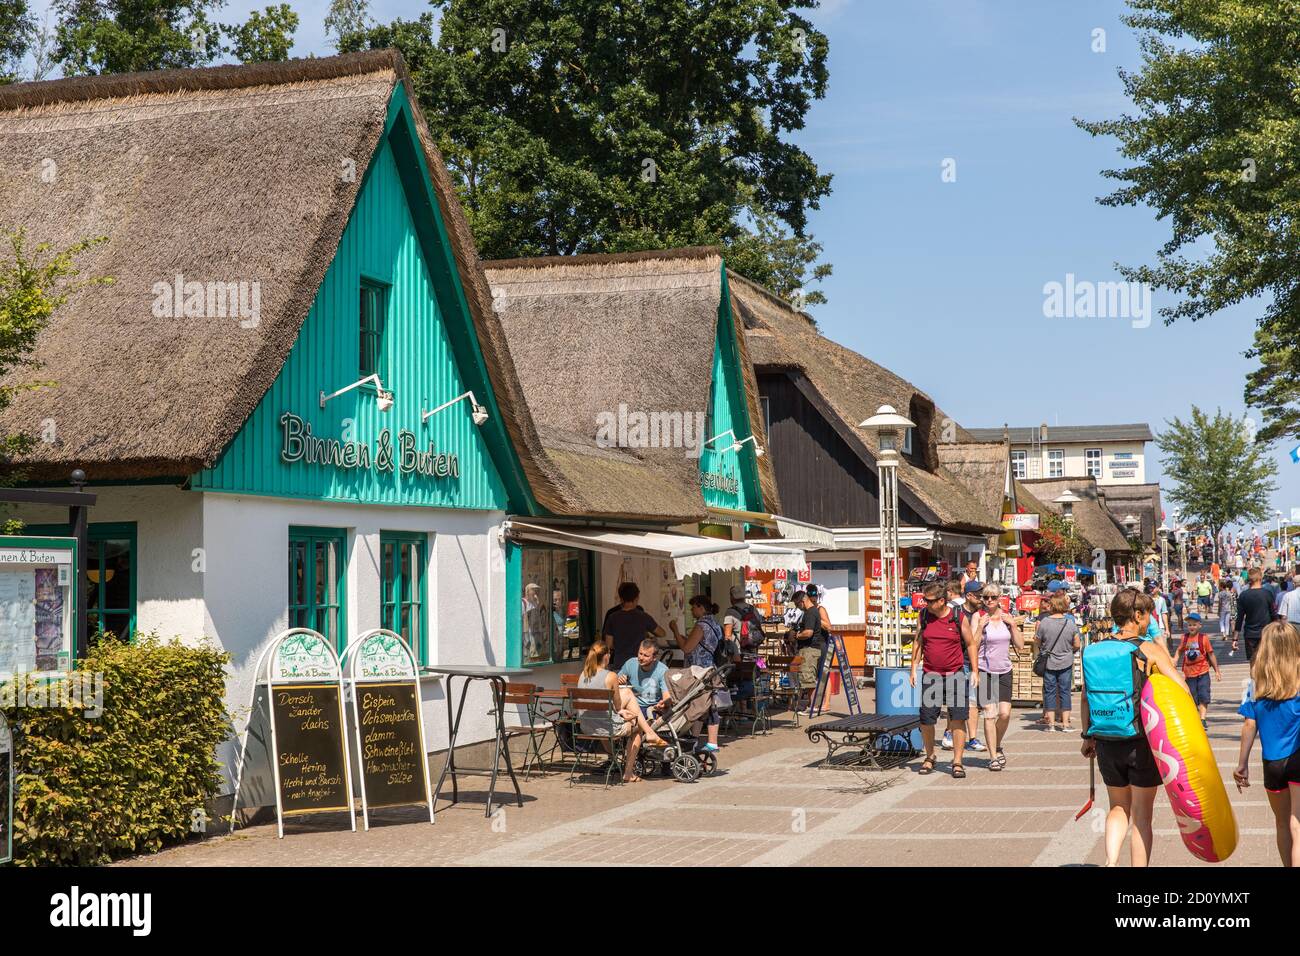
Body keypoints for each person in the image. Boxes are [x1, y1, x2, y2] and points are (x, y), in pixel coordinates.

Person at [1080, 589, 1188, 867]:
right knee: (1141, 814)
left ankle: (1110, 862)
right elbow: (1182, 690)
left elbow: (1085, 696)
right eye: (1148, 615)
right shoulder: (1147, 649)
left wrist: (1087, 735)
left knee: (1117, 806)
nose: (1149, 621)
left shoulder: (1093, 649)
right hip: (1141, 741)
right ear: (1137, 615)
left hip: (1105, 738)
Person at [1233, 622, 1300, 867]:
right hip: (1297, 757)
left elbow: (1250, 725)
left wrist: (1242, 764)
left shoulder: (1256, 683)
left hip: (1272, 762)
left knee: (1282, 823)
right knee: (1298, 823)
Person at [910, 581, 975, 778]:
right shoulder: (924, 616)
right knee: (927, 720)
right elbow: (918, 641)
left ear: (941, 601)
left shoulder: (957, 617)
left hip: (955, 675)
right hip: (931, 675)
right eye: (924, 600)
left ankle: (957, 761)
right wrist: (913, 667)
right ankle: (930, 756)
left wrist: (975, 671)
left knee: (957, 719)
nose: (925, 604)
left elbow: (971, 643)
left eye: (929, 601)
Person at [577, 641, 665, 783]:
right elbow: (617, 706)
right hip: (608, 728)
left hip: (586, 727)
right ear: (607, 656)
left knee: (620, 704)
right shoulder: (610, 676)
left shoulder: (583, 674)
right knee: (637, 726)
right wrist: (622, 711)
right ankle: (628, 772)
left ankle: (616, 759)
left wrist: (621, 711)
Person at [967, 583, 1025, 770]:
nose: (989, 601)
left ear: (1000, 597)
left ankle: (997, 744)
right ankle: (993, 756)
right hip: (985, 671)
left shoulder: (1006, 617)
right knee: (990, 715)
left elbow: (1021, 645)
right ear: (982, 599)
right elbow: (972, 645)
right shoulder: (978, 617)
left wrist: (1014, 625)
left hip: (1005, 670)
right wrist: (979, 628)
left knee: (1005, 714)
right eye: (986, 597)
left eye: (993, 597)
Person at [668, 595, 723, 752]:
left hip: (699, 671)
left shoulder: (702, 625)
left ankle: (698, 740)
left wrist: (675, 631)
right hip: (710, 669)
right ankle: (702, 740)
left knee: (697, 704)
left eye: (693, 607)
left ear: (701, 607)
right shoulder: (715, 623)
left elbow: (686, 648)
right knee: (705, 705)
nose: (691, 610)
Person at [949, 580, 987, 753]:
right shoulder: (956, 613)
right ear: (969, 595)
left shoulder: (983, 612)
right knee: (958, 702)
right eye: (979, 595)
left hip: (976, 663)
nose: (982, 599)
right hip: (959, 662)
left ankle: (972, 738)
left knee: (973, 703)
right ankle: (950, 733)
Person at [1038, 590, 1082, 732]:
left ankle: (1050, 724)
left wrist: (1045, 648)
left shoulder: (1044, 622)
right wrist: (1069, 651)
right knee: (1064, 692)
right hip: (1066, 662)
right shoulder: (1070, 624)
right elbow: (1077, 644)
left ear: (1052, 606)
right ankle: (1065, 724)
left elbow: (1037, 641)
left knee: (1049, 692)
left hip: (1049, 661)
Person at [602, 582, 666, 671]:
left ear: (620, 598)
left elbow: (608, 645)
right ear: (636, 598)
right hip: (640, 665)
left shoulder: (612, 617)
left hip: (620, 665)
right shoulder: (643, 617)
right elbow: (662, 633)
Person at [1172, 613, 1221, 726]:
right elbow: (1179, 650)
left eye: (1194, 625)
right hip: (1189, 674)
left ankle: (1202, 719)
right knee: (1192, 698)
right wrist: (1175, 659)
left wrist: (1216, 671)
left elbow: (1211, 654)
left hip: (1202, 671)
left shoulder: (1204, 638)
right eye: (1189, 625)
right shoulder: (1184, 638)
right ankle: (1196, 718)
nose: (1191, 627)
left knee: (1204, 695)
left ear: (1200, 625)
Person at [618, 638, 672, 719]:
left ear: (654, 657)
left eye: (646, 655)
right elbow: (615, 682)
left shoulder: (662, 670)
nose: (641, 658)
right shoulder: (631, 663)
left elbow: (666, 697)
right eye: (640, 653)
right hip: (632, 705)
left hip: (652, 708)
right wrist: (619, 680)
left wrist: (663, 704)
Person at [1235, 567, 1275, 662]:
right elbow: (1274, 615)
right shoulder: (1267, 594)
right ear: (1261, 578)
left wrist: (1235, 639)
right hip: (1266, 633)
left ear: (1249, 579)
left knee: (1253, 662)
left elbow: (1239, 618)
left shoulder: (1243, 595)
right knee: (1267, 661)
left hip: (1250, 634)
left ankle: (1254, 677)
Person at [723, 583, 765, 653]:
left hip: (737, 651)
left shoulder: (730, 612)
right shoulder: (753, 609)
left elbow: (727, 635)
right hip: (753, 648)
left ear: (732, 597)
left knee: (741, 664)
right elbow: (759, 626)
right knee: (751, 663)